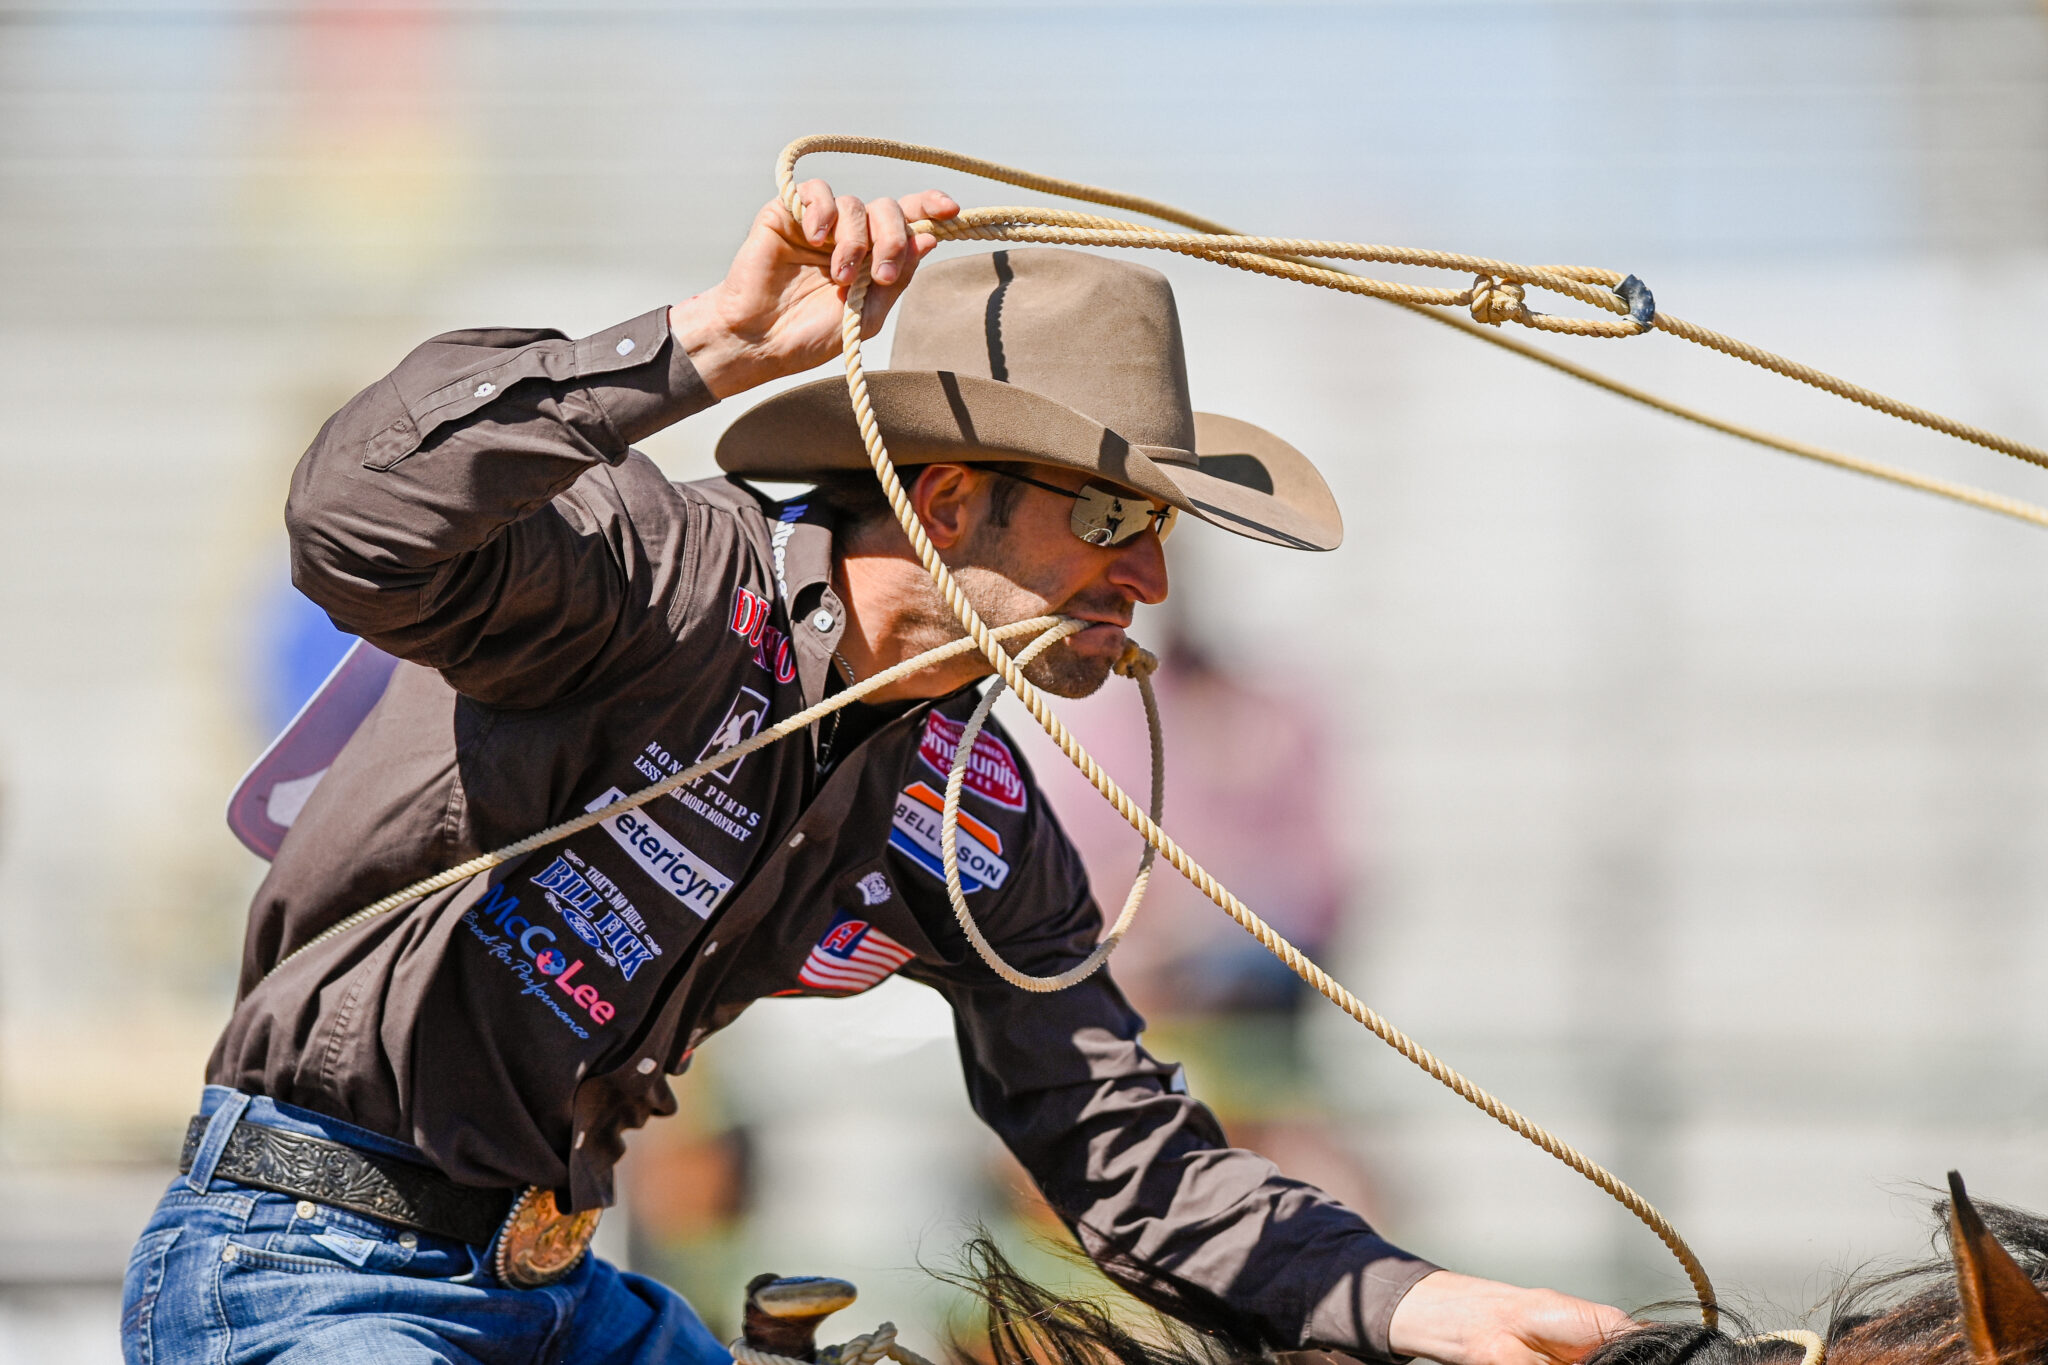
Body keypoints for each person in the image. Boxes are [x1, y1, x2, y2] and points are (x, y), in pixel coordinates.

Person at [123, 180, 1630, 1365]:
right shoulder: (654, 574)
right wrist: (704, 348)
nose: (1152, 577)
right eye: (1113, 517)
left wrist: (1413, 1302)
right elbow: (358, 514)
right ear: (952, 497)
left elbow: (1122, 1158)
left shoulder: (968, 809)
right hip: (307, 1268)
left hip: (562, 1293)